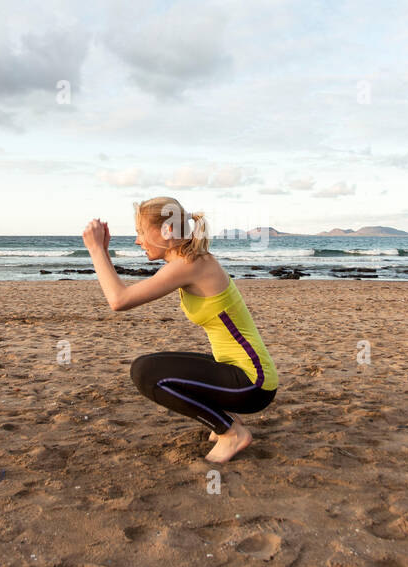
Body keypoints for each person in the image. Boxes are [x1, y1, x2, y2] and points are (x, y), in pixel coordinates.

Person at [81, 196, 279, 463]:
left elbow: (119, 300)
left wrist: (96, 250)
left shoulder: (190, 265)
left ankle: (230, 432)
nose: (137, 240)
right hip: (243, 373)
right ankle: (225, 422)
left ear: (168, 231)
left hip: (253, 383)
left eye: (140, 232)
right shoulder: (190, 261)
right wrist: (103, 252)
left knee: (146, 373)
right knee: (155, 365)